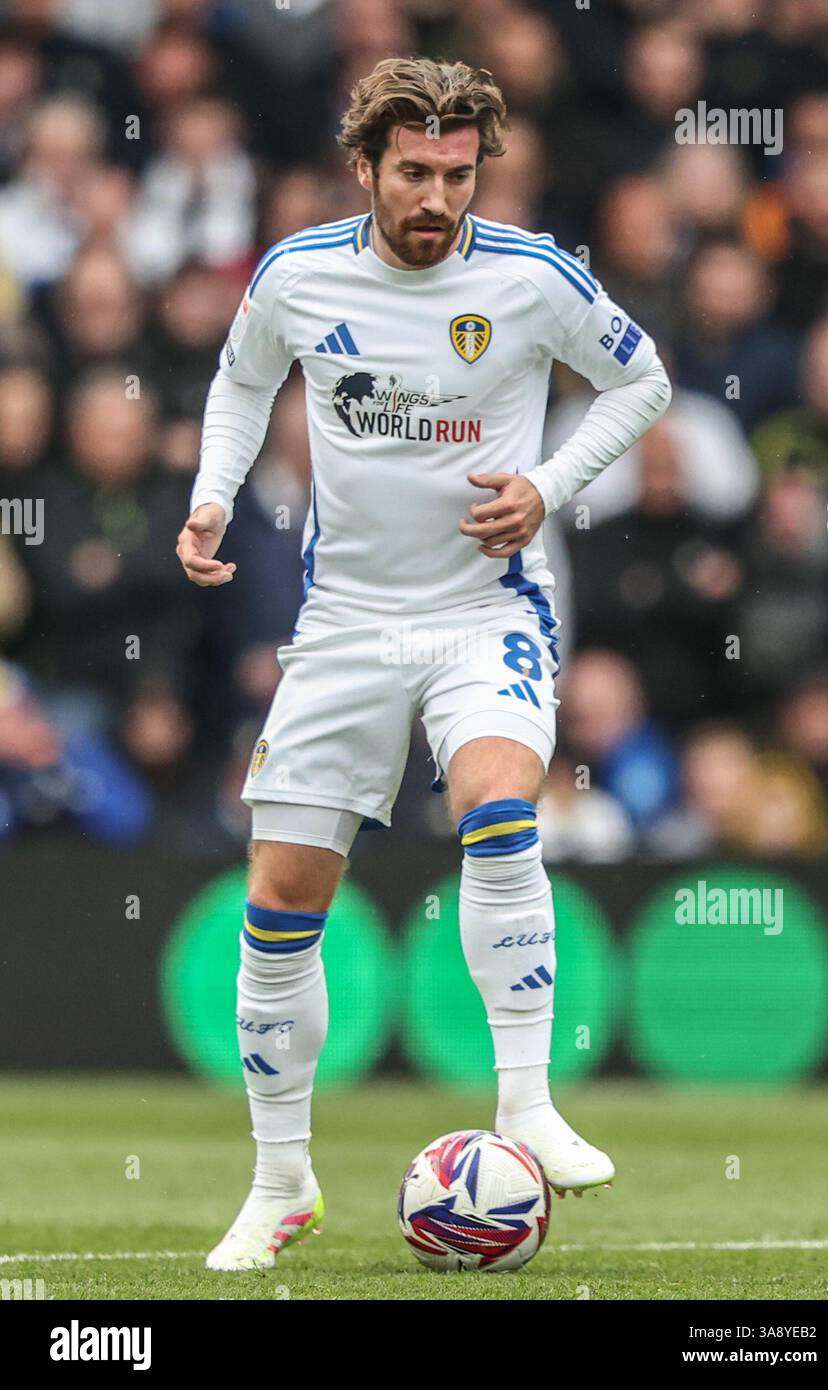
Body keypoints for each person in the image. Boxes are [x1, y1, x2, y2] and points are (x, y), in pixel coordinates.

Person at [177, 56, 671, 1272]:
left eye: (458, 173)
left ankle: (524, 1102)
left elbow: (643, 379)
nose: (438, 197)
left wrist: (548, 486)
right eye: (415, 173)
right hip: (344, 619)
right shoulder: (298, 274)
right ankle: (282, 1181)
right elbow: (241, 385)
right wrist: (208, 498)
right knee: (284, 899)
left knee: (499, 806)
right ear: (367, 167)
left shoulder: (533, 274)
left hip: (483, 612)